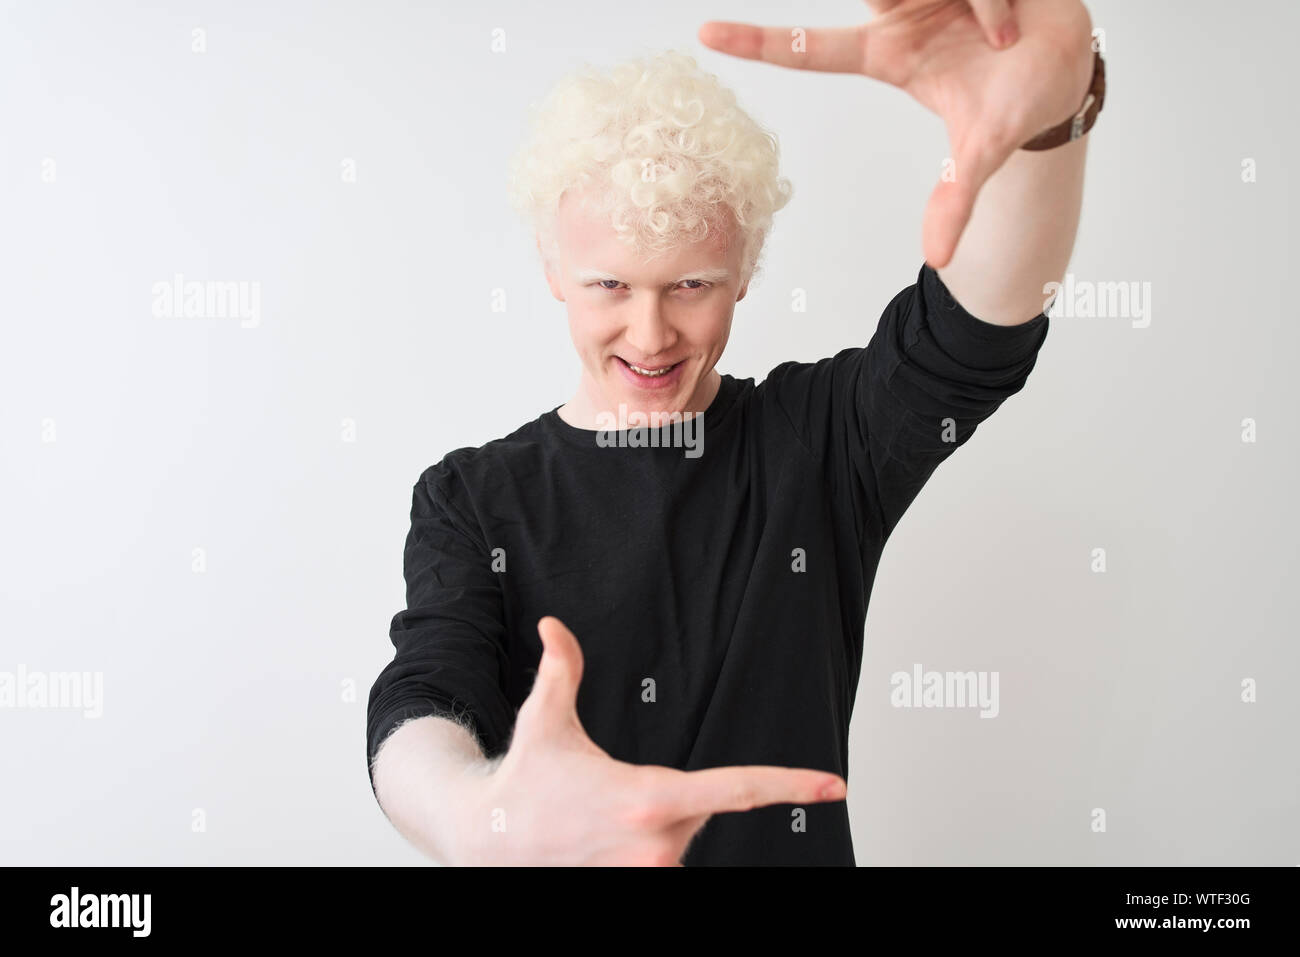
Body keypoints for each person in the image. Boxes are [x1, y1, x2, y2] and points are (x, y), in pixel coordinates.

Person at [366, 0, 1103, 866]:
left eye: (690, 285)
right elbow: (425, 693)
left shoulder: (818, 444)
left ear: (747, 269)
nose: (648, 335)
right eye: (610, 284)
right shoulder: (472, 499)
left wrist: (1050, 122)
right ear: (552, 266)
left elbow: (972, 336)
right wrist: (470, 814)